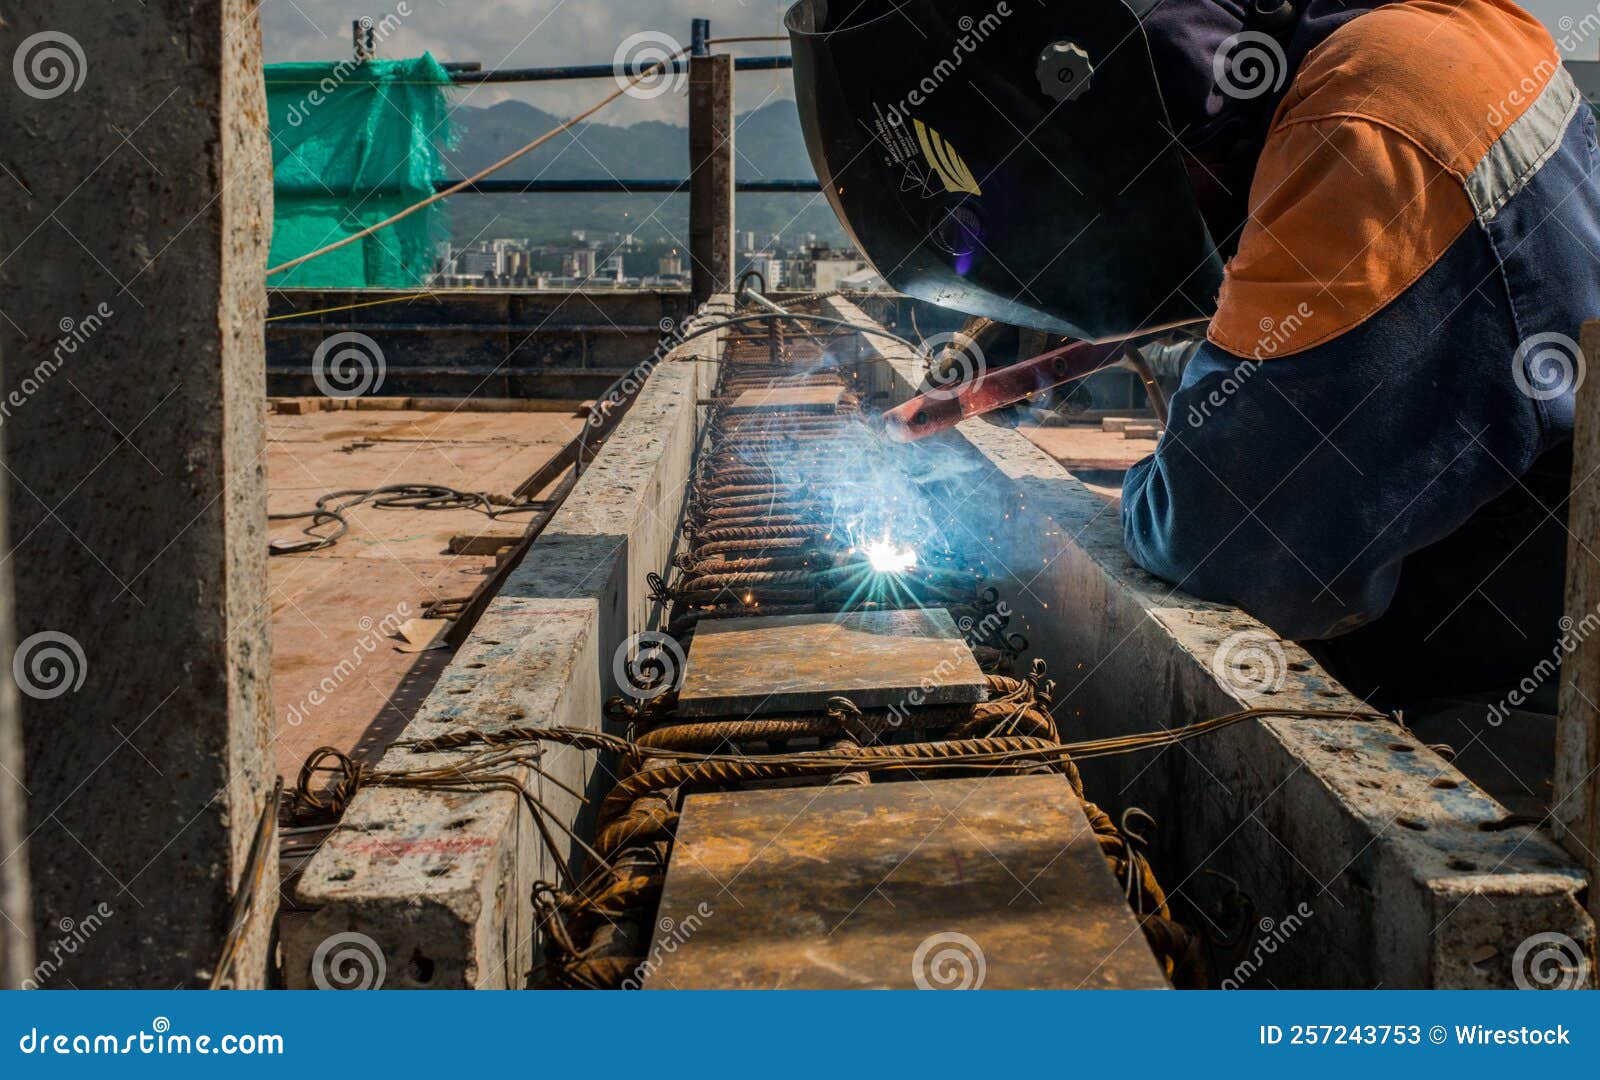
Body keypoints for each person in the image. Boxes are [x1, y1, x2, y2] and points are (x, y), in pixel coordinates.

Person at [789, 0, 1600, 704]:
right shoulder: (1413, 41)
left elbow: (1231, 540)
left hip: (1522, 709)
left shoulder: (1366, 124)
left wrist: (1156, 473)